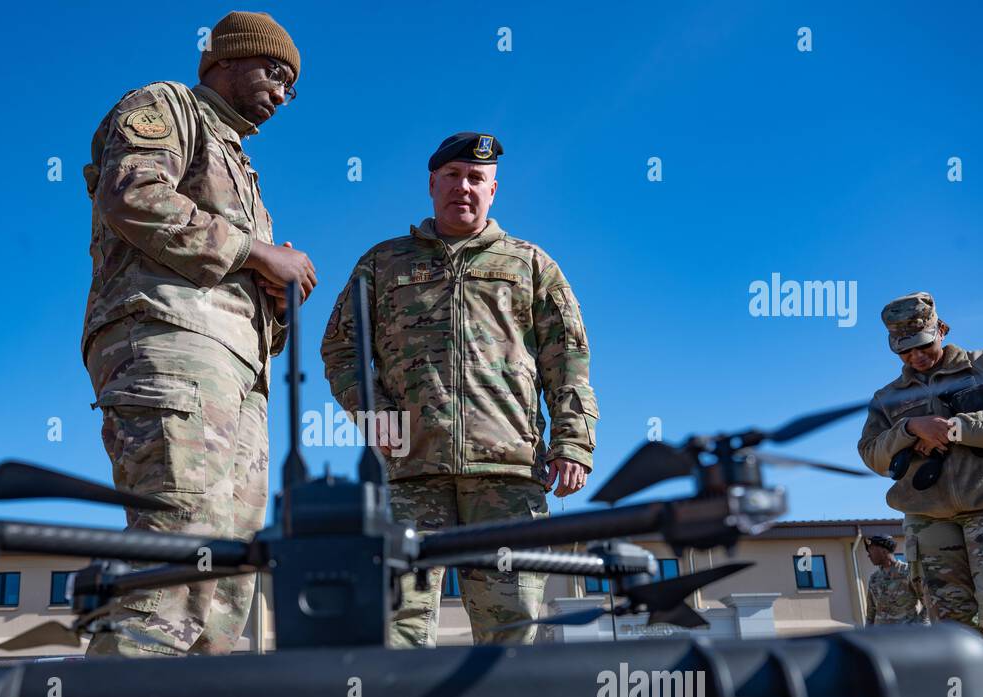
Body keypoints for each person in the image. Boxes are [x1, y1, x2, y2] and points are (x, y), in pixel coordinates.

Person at [80, 11, 316, 657]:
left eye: (291, 86)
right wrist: (258, 254)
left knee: (229, 573)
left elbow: (243, 278)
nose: (282, 93)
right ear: (225, 60)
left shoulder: (244, 168)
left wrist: (277, 300)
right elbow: (132, 194)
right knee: (177, 550)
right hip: (169, 342)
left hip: (239, 374)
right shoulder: (166, 106)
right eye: (275, 72)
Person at [321, 132, 598, 648]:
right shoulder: (382, 263)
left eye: (476, 178)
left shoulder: (531, 265)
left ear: (494, 190)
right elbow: (341, 350)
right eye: (452, 176)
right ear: (432, 184)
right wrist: (372, 412)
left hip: (507, 474)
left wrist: (573, 442)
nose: (463, 187)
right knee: (396, 625)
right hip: (409, 472)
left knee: (510, 628)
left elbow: (568, 360)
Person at [857, 291, 983, 663]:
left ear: (941, 329)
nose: (916, 357)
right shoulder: (887, 397)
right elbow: (871, 453)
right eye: (904, 351)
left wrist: (957, 428)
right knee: (949, 630)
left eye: (923, 345)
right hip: (928, 519)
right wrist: (909, 428)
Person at [861, 534, 927, 625]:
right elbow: (870, 613)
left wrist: (917, 626)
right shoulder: (874, 578)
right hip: (882, 637)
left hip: (906, 635)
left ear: (884, 551)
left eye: (871, 550)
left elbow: (928, 603)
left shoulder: (908, 572)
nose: (869, 555)